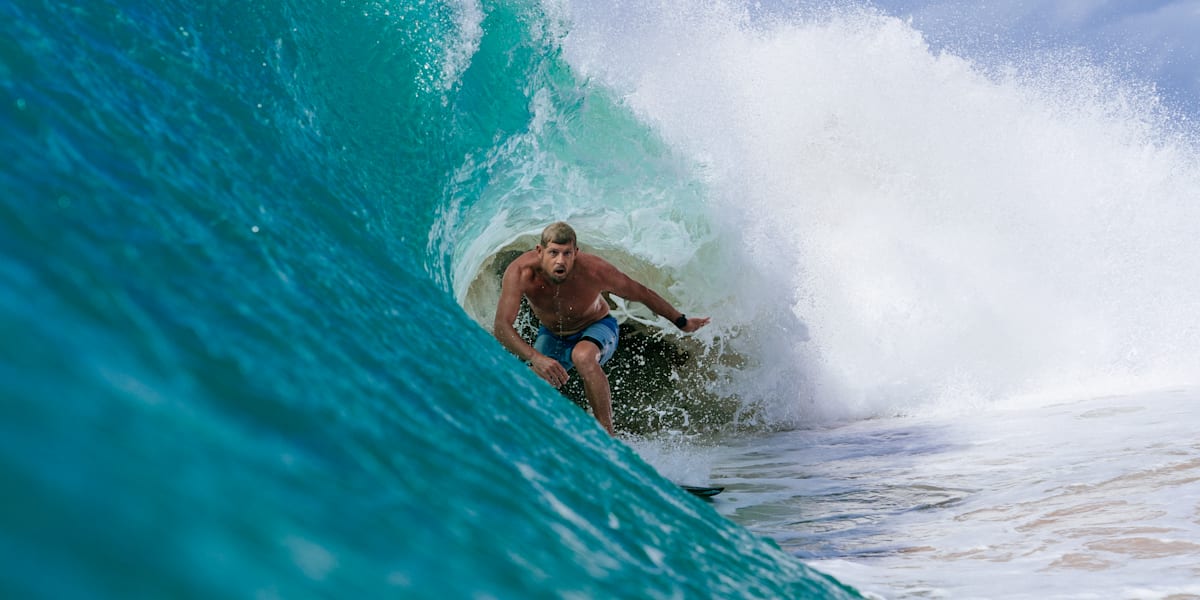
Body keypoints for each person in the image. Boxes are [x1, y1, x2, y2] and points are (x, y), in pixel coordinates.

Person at [493, 222, 711, 435]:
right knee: (528, 382)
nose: (560, 261)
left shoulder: (594, 271)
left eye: (567, 253)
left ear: (576, 252)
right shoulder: (521, 273)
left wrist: (683, 322)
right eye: (553, 253)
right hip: (553, 335)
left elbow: (641, 293)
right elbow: (502, 326)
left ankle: (607, 436)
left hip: (598, 327)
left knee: (583, 356)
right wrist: (537, 357)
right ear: (539, 251)